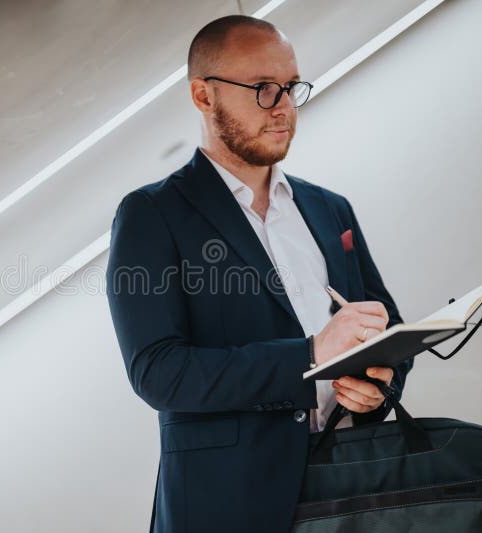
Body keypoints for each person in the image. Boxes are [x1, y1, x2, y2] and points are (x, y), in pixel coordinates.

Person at [105, 14, 412, 533]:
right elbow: (158, 371)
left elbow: (384, 327)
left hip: (349, 495)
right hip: (224, 506)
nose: (285, 108)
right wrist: (311, 355)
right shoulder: (150, 215)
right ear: (204, 96)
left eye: (291, 87)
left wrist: (379, 385)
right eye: (264, 89)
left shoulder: (330, 209)